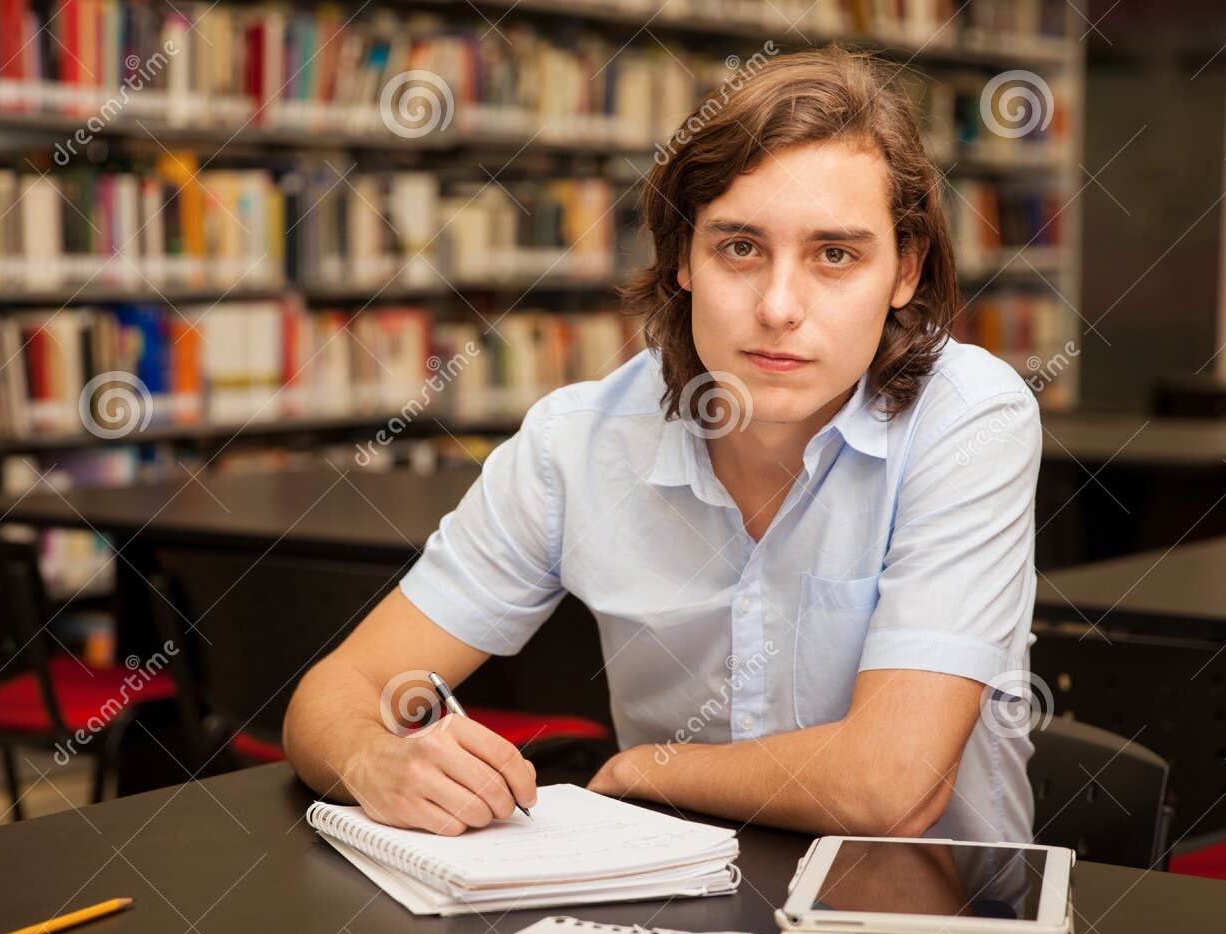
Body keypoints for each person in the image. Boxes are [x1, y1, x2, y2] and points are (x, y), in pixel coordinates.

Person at [285, 44, 1041, 843]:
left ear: (905, 272)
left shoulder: (968, 419)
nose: (780, 306)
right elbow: (335, 690)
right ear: (683, 257)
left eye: (835, 255)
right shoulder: (577, 442)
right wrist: (375, 759)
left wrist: (641, 769)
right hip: (664, 922)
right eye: (740, 248)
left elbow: (892, 783)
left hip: (937, 931)